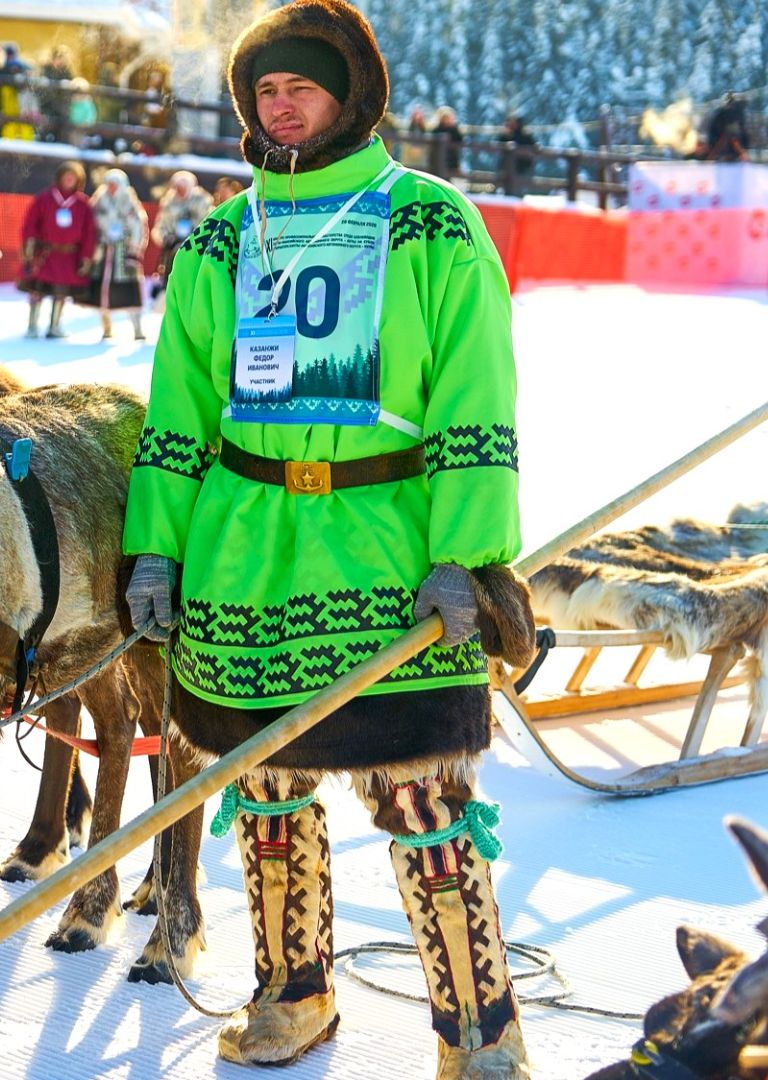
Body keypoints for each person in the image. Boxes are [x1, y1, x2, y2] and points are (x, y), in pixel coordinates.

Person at [120, 2, 533, 1076]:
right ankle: (293, 995)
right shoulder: (220, 236)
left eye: (301, 86)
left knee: (422, 798)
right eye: (263, 91)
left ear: (351, 96)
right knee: (261, 787)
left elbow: (474, 396)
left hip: (386, 550)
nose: (281, 106)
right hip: (245, 555)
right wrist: (157, 545)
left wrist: (468, 551)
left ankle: (480, 1031)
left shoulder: (428, 222)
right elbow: (180, 411)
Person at [18, 160, 95, 339]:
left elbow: (89, 233)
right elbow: (30, 223)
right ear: (60, 178)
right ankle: (32, 326)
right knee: (37, 289)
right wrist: (29, 243)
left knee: (60, 292)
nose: (69, 180)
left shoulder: (83, 204)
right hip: (45, 254)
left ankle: (54, 326)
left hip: (68, 256)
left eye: (73, 177)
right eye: (66, 176)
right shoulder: (45, 198)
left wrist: (87, 256)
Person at [80, 167, 146, 341]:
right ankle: (106, 328)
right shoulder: (99, 201)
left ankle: (137, 328)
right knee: (102, 292)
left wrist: (134, 248)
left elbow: (138, 226)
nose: (112, 187)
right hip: (104, 251)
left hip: (124, 253)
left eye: (115, 184)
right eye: (109, 184)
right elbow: (91, 224)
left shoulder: (129, 201)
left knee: (131, 290)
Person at [150, 169, 211, 300]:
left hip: (196, 244)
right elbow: (161, 225)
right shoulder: (169, 203)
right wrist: (166, 237)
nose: (180, 190)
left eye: (183, 187)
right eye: (178, 187)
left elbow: (208, 224)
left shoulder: (202, 202)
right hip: (173, 242)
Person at [704, 92, 750, 163]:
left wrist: (742, 152)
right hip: (720, 153)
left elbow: (738, 136)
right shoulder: (720, 115)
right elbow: (726, 136)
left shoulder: (739, 116)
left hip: (732, 156)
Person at [498, 113, 536, 196]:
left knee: (518, 190)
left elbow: (533, 148)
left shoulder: (525, 136)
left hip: (521, 169)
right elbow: (499, 144)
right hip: (507, 168)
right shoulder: (507, 136)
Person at [432, 104, 464, 175]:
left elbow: (460, 141)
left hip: (452, 162)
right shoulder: (437, 130)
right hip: (438, 161)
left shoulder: (454, 130)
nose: (447, 120)